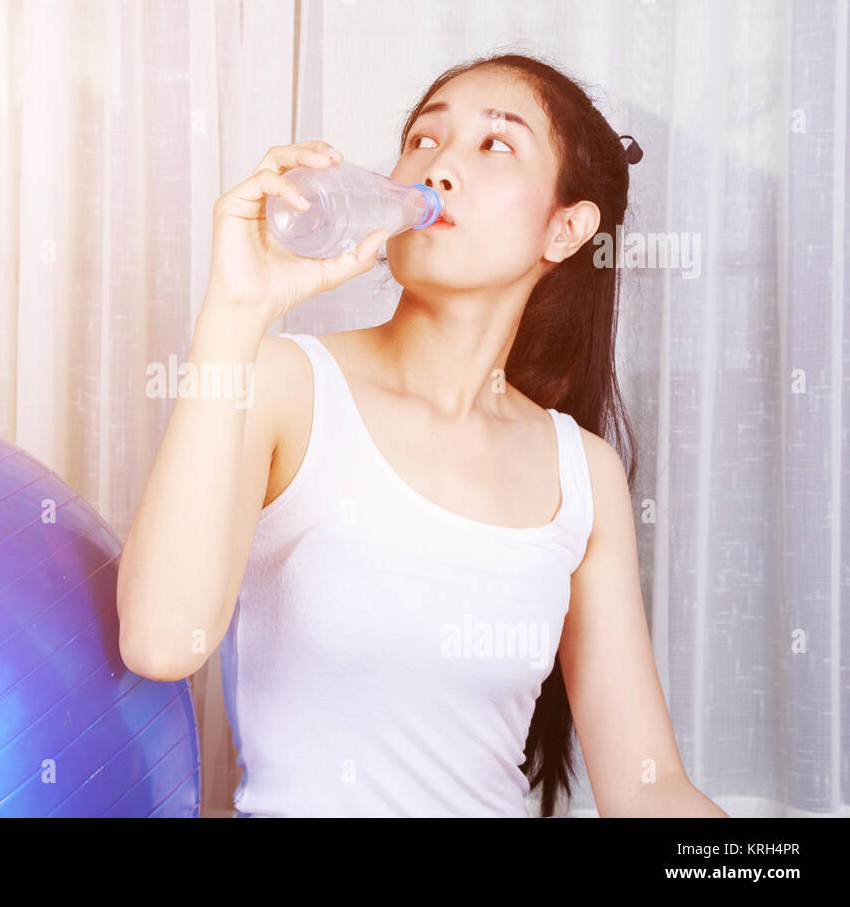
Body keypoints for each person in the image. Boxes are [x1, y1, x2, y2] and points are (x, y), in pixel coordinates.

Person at [116, 52, 727, 818]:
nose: (435, 169)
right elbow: (162, 642)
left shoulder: (584, 473)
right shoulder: (281, 385)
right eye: (423, 140)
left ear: (567, 229)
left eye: (494, 144)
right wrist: (235, 311)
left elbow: (646, 784)